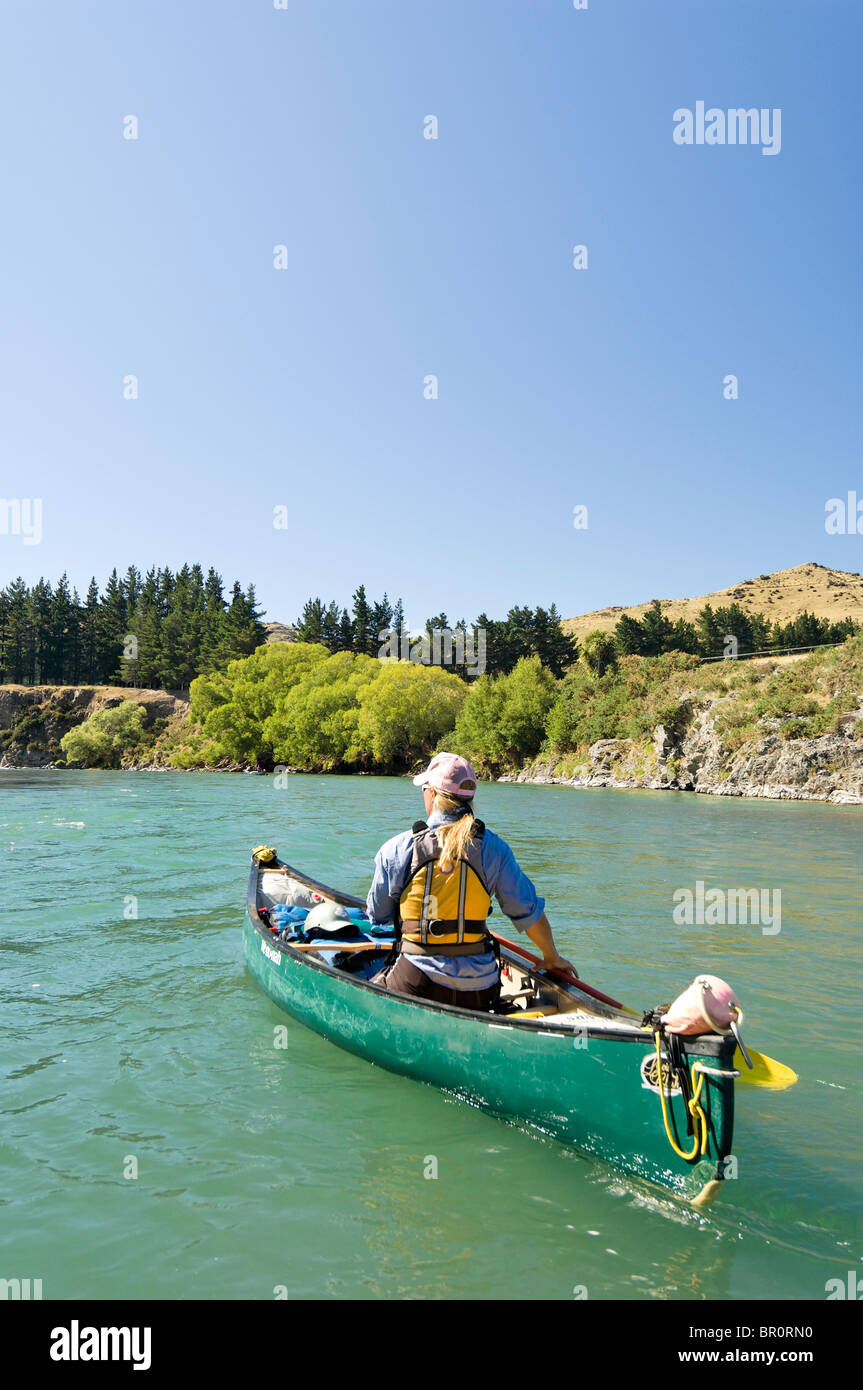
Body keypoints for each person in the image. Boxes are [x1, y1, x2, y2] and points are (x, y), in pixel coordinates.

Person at [367, 752, 574, 1011]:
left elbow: (378, 915)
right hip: (480, 990)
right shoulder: (495, 848)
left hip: (417, 982)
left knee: (373, 981)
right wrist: (552, 957)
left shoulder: (398, 848)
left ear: (432, 794)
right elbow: (528, 912)